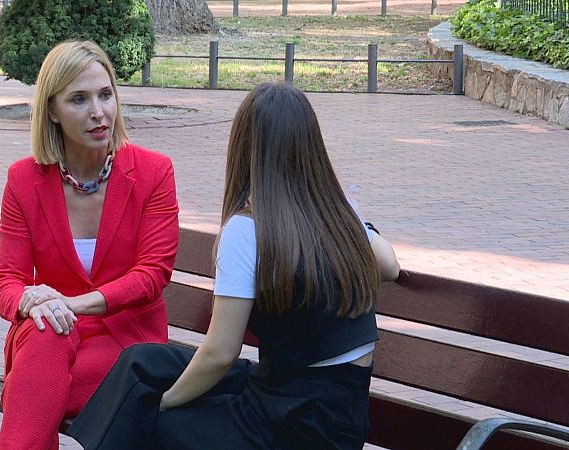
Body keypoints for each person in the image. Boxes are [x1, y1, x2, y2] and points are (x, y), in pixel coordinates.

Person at [68, 82, 400, 450]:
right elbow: (390, 266)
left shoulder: (247, 229)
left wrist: (164, 403)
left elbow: (220, 354)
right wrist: (355, 222)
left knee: (152, 424)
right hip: (320, 407)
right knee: (142, 362)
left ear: (244, 148)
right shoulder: (337, 209)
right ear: (311, 147)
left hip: (299, 426)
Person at [0, 40, 179, 449]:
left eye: (106, 94)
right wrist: (29, 299)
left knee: (32, 387)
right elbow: (7, 280)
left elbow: (152, 275)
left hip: (126, 339)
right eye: (79, 99)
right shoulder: (24, 180)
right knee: (45, 334)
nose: (99, 112)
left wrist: (71, 304)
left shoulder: (153, 172)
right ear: (52, 112)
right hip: (52, 332)